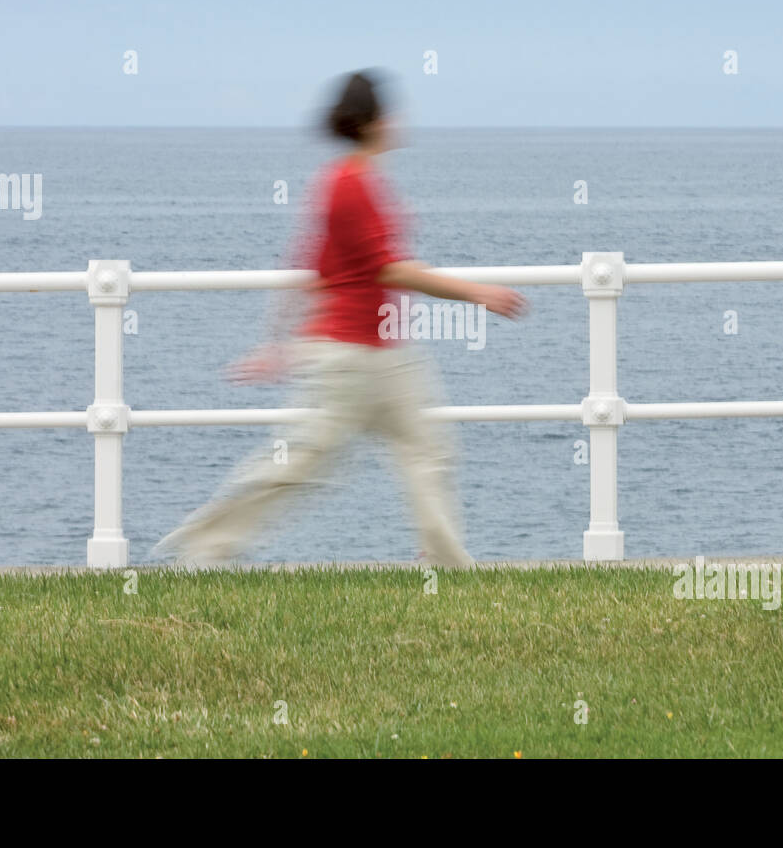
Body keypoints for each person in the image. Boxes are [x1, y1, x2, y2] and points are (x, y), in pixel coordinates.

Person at [153, 70, 526, 568]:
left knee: (429, 453)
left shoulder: (355, 181)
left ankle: (448, 568)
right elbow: (389, 267)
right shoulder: (349, 184)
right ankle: (202, 547)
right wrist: (476, 293)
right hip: (348, 360)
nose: (400, 120)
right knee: (300, 465)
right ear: (372, 123)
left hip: (383, 357)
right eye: (391, 112)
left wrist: (276, 344)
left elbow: (312, 268)